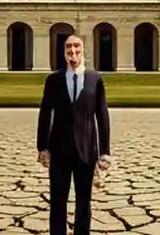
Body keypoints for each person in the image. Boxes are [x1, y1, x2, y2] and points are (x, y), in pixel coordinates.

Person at [36, 33, 112, 235]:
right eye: (69, 47)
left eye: (76, 47)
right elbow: (45, 113)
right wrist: (42, 147)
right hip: (59, 150)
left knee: (84, 202)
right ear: (64, 52)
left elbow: (102, 116)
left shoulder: (95, 79)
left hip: (87, 150)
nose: (73, 51)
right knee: (57, 202)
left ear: (82, 50)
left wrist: (105, 152)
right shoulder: (53, 80)